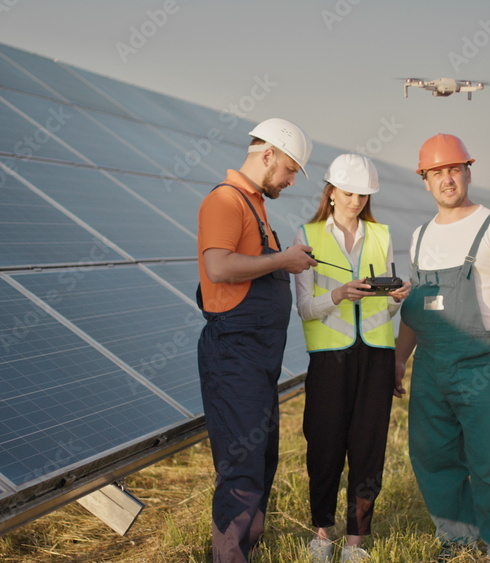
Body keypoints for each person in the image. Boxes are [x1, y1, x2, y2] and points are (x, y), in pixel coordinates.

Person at [393, 134, 490, 563]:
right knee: (432, 456)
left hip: (480, 364)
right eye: (437, 173)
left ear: (468, 172)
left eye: (454, 169)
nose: (447, 179)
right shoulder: (419, 237)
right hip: (431, 366)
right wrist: (399, 359)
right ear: (425, 181)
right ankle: (456, 540)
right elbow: (418, 310)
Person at [196, 117, 319, 562]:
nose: (289, 180)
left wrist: (284, 260)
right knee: (241, 470)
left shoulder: (254, 206)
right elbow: (219, 268)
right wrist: (282, 259)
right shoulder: (226, 201)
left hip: (258, 359)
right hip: (234, 356)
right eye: (289, 170)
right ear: (267, 155)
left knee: (262, 460)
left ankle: (247, 550)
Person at [292, 154, 411, 562]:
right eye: (348, 192)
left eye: (363, 194)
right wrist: (338, 295)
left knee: (368, 447)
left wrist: (395, 299)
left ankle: (356, 543)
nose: (356, 201)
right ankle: (322, 535)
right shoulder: (307, 235)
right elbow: (305, 308)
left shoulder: (381, 235)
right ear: (330, 191)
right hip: (329, 359)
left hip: (375, 356)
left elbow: (385, 311)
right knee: (323, 446)